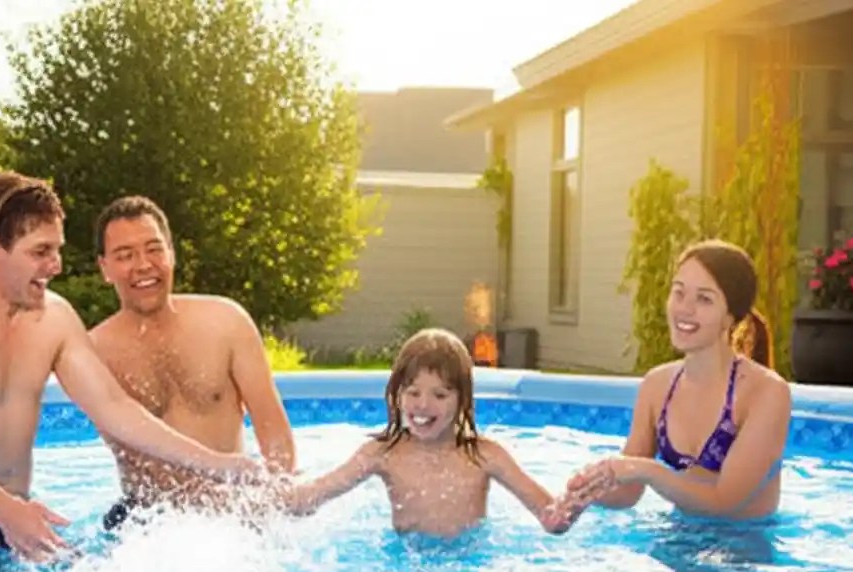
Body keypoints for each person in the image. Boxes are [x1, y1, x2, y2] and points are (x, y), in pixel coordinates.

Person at [0, 173, 261, 562]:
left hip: (14, 519)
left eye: (57, 250)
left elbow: (115, 408)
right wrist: (9, 511)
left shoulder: (55, 318)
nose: (57, 265)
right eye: (41, 251)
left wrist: (217, 463)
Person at [87, 195, 296, 528]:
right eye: (125, 255)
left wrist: (275, 501)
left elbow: (273, 430)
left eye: (154, 249)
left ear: (171, 253)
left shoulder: (226, 322)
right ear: (105, 269)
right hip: (145, 521)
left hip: (231, 513)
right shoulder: (92, 353)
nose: (143, 265)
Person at [274, 328, 594, 537]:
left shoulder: (484, 455)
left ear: (462, 399)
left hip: (467, 571)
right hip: (405, 569)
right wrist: (261, 500)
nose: (422, 406)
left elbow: (549, 518)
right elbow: (312, 496)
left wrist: (576, 501)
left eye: (439, 395)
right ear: (397, 394)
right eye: (412, 393)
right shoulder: (383, 454)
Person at [567, 239, 791, 519]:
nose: (684, 309)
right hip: (678, 540)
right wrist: (585, 492)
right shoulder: (657, 385)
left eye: (704, 299)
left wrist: (646, 469)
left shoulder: (766, 392)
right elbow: (629, 492)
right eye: (679, 293)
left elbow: (725, 500)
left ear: (730, 317)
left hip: (745, 551)